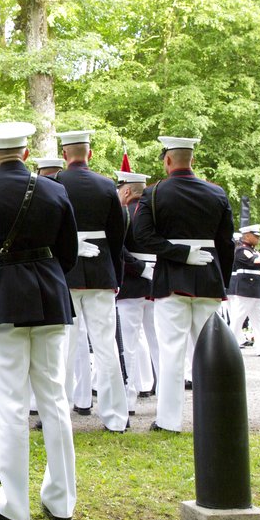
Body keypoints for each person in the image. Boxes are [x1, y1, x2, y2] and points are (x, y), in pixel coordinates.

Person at [0, 121, 78, 520]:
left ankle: (13, 505)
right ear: (26, 154)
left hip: (3, 297)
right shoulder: (55, 189)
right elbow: (69, 252)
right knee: (55, 401)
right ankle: (62, 504)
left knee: (9, 404)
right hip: (50, 296)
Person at [132, 136, 233, 432]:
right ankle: (217, 417)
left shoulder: (154, 194)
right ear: (192, 161)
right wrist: (220, 280)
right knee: (211, 351)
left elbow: (143, 237)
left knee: (171, 351)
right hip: (209, 278)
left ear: (167, 160)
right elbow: (226, 244)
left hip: (172, 280)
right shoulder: (216, 193)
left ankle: (169, 420)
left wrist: (180, 254)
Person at [54, 130, 128, 432]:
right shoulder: (107, 185)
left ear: (64, 154)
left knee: (64, 347)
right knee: (106, 346)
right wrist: (115, 274)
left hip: (67, 271)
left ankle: (60, 415)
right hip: (100, 270)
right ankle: (116, 417)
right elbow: (117, 233)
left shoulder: (54, 183)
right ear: (90, 153)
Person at [115, 170, 160, 400]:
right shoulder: (157, 212)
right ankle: (165, 398)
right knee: (159, 344)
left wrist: (139, 267)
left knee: (129, 345)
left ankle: (128, 399)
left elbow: (118, 248)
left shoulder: (124, 212)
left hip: (131, 282)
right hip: (156, 283)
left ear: (127, 190)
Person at [226, 225, 260, 356]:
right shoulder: (241, 250)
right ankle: (228, 346)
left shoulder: (253, 251)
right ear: (247, 236)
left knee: (259, 320)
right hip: (246, 288)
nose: (258, 238)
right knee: (238, 318)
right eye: (255, 236)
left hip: (256, 288)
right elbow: (254, 262)